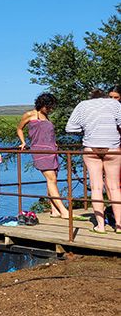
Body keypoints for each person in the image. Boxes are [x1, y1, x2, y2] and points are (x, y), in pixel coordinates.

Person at [66, 88, 121, 234]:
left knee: (96, 188)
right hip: (113, 148)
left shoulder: (83, 105)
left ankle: (100, 226)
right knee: (115, 187)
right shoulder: (114, 105)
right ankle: (119, 226)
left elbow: (70, 127)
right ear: (105, 97)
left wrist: (85, 128)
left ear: (92, 98)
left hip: (91, 148)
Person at [18, 93, 69, 218]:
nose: (50, 109)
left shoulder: (47, 117)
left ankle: (54, 210)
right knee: (51, 179)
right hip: (39, 151)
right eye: (48, 107)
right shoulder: (29, 115)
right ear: (41, 104)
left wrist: (55, 143)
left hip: (51, 150)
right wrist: (23, 142)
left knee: (52, 180)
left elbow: (48, 133)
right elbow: (19, 128)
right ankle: (64, 211)